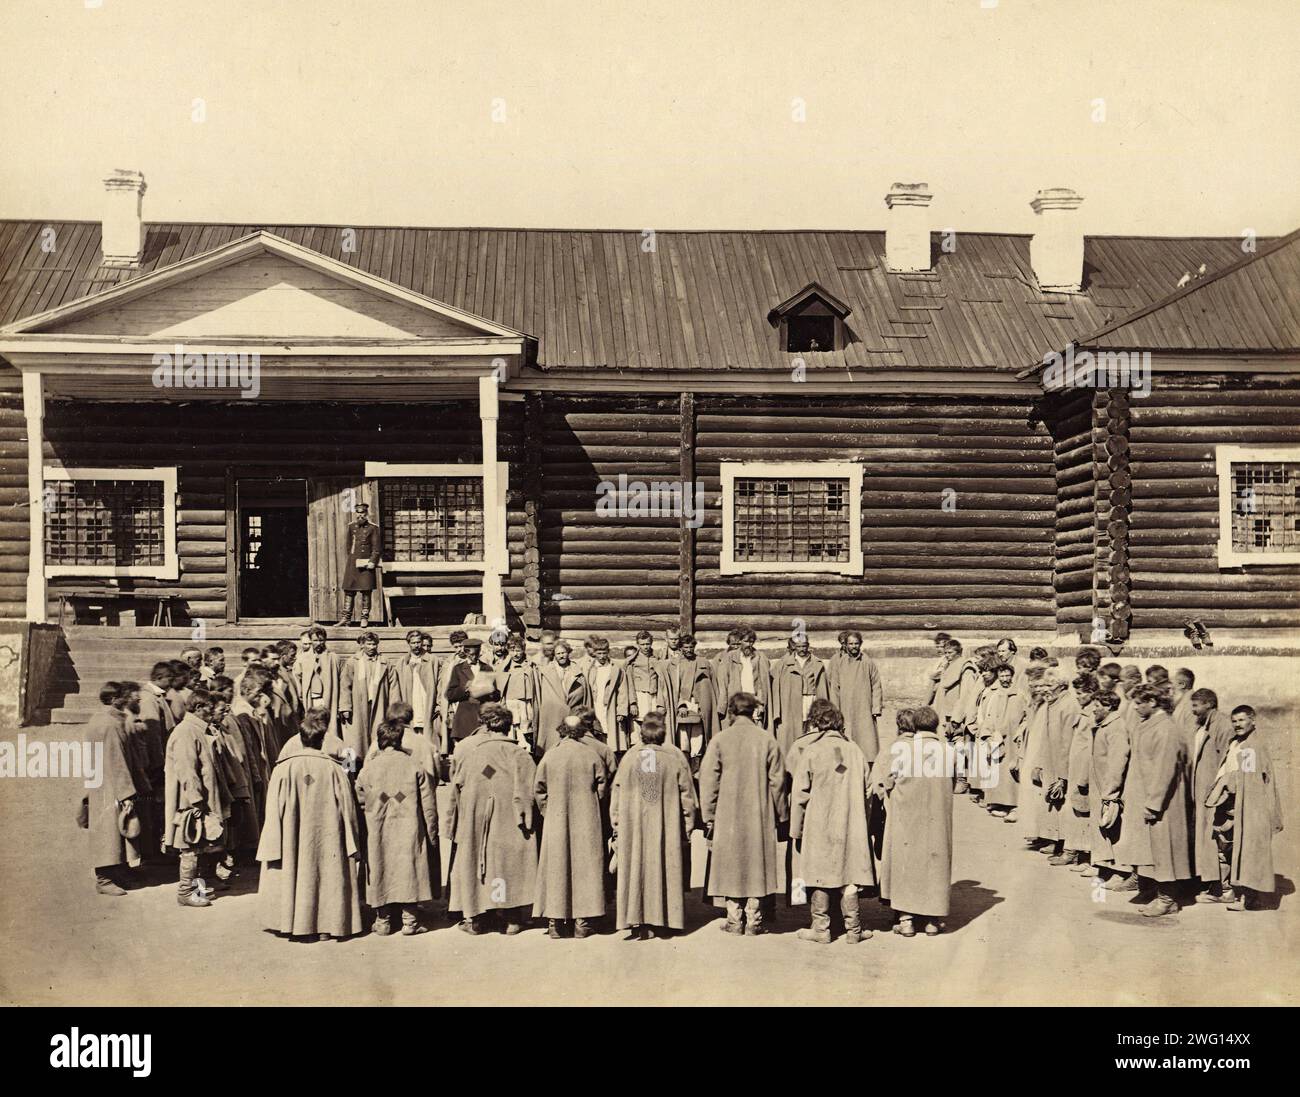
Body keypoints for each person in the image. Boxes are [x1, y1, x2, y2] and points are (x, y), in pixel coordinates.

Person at [256, 710, 364, 941]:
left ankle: (290, 921)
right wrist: (353, 837)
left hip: (292, 828)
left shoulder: (284, 763)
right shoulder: (335, 764)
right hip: (326, 831)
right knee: (325, 873)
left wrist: (273, 836)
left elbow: (272, 807)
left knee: (292, 871)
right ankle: (327, 924)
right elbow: (349, 802)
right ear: (322, 735)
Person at [698, 692, 788, 936]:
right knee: (756, 862)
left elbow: (708, 781)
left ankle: (734, 919)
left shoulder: (719, 740)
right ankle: (755, 920)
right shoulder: (767, 740)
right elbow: (777, 782)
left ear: (731, 712)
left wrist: (709, 815)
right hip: (759, 814)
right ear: (754, 712)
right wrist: (781, 814)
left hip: (727, 815)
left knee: (730, 862)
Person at [446, 704, 539, 934]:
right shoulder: (520, 755)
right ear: (508, 727)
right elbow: (530, 791)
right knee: (506, 865)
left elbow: (457, 787)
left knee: (483, 863)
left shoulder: (473, 754)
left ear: (485, 725)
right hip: (509, 821)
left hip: (477, 819)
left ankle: (479, 918)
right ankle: (511, 918)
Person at [789, 699, 875, 944]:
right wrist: (862, 822)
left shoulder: (812, 751)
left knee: (818, 873)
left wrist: (797, 828)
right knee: (849, 873)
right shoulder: (856, 751)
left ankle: (821, 929)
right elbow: (868, 791)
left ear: (817, 724)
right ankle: (854, 931)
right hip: (851, 823)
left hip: (820, 823)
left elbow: (800, 795)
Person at [869, 706, 954, 937]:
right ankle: (932, 921)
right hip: (937, 819)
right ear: (935, 725)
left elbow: (885, 782)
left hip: (907, 817)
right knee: (934, 865)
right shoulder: (948, 750)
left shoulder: (903, 750)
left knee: (907, 864)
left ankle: (906, 920)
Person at [611, 712, 696, 940]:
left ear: (641, 734)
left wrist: (617, 824)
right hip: (666, 826)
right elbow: (687, 798)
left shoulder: (629, 758)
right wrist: (686, 827)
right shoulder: (674, 758)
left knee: (637, 870)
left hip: (634, 828)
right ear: (663, 734)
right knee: (663, 869)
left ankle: (638, 919)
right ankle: (664, 919)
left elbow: (616, 795)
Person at [356, 719, 439, 936]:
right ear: (399, 739)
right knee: (408, 867)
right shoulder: (415, 766)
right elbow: (428, 804)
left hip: (378, 828)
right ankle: (409, 922)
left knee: (380, 865)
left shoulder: (368, 769)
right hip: (408, 827)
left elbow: (360, 797)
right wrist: (431, 832)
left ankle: (382, 921)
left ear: (379, 740)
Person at [532, 713, 610, 938]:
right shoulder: (591, 755)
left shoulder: (550, 756)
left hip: (556, 818)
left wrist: (549, 811)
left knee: (556, 866)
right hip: (586, 818)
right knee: (585, 866)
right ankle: (582, 922)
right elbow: (602, 787)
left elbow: (539, 790)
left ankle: (555, 922)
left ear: (561, 730)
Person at [1205, 705, 1283, 911]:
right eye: (1234, 720)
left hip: (1247, 804)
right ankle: (1228, 892)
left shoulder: (1252, 746)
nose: (1237, 724)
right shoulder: (1235, 743)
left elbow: (1248, 781)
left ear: (1253, 720)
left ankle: (1250, 898)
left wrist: (1228, 785)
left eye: (1242, 720)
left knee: (1248, 849)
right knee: (1225, 847)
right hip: (1229, 803)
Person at [1127, 684, 1193, 917]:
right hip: (1148, 797)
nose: (1134, 707)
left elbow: (1164, 770)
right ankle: (1158, 894)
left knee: (1165, 851)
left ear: (1152, 702)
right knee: (1153, 851)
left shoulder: (1165, 729)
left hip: (1163, 802)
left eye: (1138, 702)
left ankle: (1167, 900)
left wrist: (1153, 804)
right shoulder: (1149, 725)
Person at [163, 689, 228, 909]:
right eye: (210, 708)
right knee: (189, 845)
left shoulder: (197, 729)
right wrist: (196, 800)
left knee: (200, 844)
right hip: (190, 801)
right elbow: (187, 770)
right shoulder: (185, 732)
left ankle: (195, 887)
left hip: (200, 798)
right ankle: (184, 891)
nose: (213, 712)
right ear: (198, 708)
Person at [87, 681, 145, 896]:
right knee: (108, 833)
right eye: (123, 695)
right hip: (110, 785)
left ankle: (119, 871)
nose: (128, 698)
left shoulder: (103, 718)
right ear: (113, 700)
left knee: (116, 832)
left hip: (103, 782)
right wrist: (127, 793)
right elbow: (116, 760)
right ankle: (104, 879)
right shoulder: (110, 724)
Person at [1189, 688, 1235, 899]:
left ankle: (1220, 888)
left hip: (1214, 794)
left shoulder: (1223, 726)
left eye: (1196, 705)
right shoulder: (1204, 724)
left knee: (1216, 838)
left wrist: (1218, 791)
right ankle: (1210, 882)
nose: (1193, 710)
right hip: (1203, 793)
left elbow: (1227, 761)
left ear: (1208, 704)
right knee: (1206, 838)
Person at [826, 630, 884, 763]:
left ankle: (868, 763)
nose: (854, 647)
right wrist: (835, 709)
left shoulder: (868, 662)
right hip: (845, 705)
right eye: (851, 644)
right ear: (846, 645)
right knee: (847, 734)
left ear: (861, 644)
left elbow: (876, 685)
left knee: (866, 737)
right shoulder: (839, 663)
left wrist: (876, 708)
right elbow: (835, 687)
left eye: (856, 644)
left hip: (864, 706)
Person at [341, 630, 396, 760]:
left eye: (374, 644)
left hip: (379, 705)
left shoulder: (384, 662)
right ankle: (349, 771)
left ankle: (374, 767)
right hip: (357, 706)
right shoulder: (353, 662)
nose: (372, 647)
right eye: (369, 644)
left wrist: (393, 711)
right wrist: (345, 707)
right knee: (353, 739)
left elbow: (394, 687)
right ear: (362, 645)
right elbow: (345, 686)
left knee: (378, 735)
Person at [771, 636, 829, 756]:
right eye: (799, 646)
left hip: (811, 699)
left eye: (804, 646)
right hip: (792, 701)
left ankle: (810, 755)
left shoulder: (816, 663)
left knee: (811, 727)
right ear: (794, 647)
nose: (802, 649)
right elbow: (775, 687)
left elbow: (822, 686)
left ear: (808, 646)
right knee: (793, 729)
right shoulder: (783, 663)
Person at [445, 638, 503, 747]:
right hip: (465, 715)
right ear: (466, 652)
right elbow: (450, 695)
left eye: (477, 654)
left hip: (483, 714)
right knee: (465, 747)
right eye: (471, 654)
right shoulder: (458, 669)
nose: (474, 657)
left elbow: (496, 696)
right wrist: (465, 688)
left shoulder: (487, 668)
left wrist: (491, 691)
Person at [535, 640, 590, 756]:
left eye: (563, 653)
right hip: (553, 716)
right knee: (553, 747)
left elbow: (585, 695)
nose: (561, 656)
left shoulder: (577, 671)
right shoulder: (546, 671)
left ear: (568, 653)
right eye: (558, 654)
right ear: (554, 655)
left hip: (572, 714)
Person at [713, 627, 772, 731]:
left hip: (753, 701)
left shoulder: (760, 658)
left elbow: (763, 684)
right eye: (746, 641)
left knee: (755, 732)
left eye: (751, 642)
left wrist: (761, 704)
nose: (749, 644)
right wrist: (722, 706)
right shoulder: (729, 658)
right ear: (740, 641)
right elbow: (723, 683)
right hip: (736, 702)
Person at [293, 626, 348, 734]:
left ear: (325, 640)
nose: (318, 643)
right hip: (311, 700)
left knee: (328, 728)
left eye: (321, 640)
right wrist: (301, 698)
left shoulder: (334, 658)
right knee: (312, 728)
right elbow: (297, 679)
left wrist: (342, 705)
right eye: (315, 640)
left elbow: (343, 683)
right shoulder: (303, 659)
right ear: (310, 641)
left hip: (328, 701)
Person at [337, 500, 381, 627]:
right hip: (353, 563)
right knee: (349, 590)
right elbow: (348, 545)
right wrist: (352, 558)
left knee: (366, 591)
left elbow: (376, 548)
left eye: (362, 513)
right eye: (358, 513)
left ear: (367, 513)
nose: (360, 515)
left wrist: (373, 561)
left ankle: (364, 618)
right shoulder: (352, 527)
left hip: (367, 564)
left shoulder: (373, 528)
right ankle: (346, 618)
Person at [626, 630, 673, 746]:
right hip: (639, 695)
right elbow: (630, 683)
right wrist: (632, 702)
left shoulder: (657, 657)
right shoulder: (633, 661)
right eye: (642, 644)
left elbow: (661, 681)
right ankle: (638, 750)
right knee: (638, 725)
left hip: (653, 696)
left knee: (653, 723)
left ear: (651, 643)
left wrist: (660, 703)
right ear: (638, 644)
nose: (645, 647)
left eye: (647, 644)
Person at [392, 628, 440, 740]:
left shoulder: (432, 660)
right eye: (413, 643)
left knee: (427, 724)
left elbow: (439, 682)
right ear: (408, 644)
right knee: (413, 722)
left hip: (426, 698)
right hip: (411, 697)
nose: (416, 645)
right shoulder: (402, 662)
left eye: (418, 642)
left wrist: (438, 702)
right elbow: (397, 685)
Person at [587, 638, 631, 757]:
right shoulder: (590, 669)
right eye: (599, 653)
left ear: (608, 652)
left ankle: (611, 759)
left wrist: (621, 710)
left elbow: (623, 691)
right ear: (594, 653)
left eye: (604, 653)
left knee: (611, 733)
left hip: (610, 706)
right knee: (597, 730)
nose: (601, 656)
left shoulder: (615, 669)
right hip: (596, 705)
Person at [500, 638, 542, 751]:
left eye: (518, 650)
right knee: (513, 724)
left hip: (525, 700)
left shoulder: (530, 665)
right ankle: (514, 746)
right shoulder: (505, 666)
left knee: (526, 723)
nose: (516, 654)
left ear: (523, 650)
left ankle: (528, 748)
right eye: (512, 651)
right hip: (511, 701)